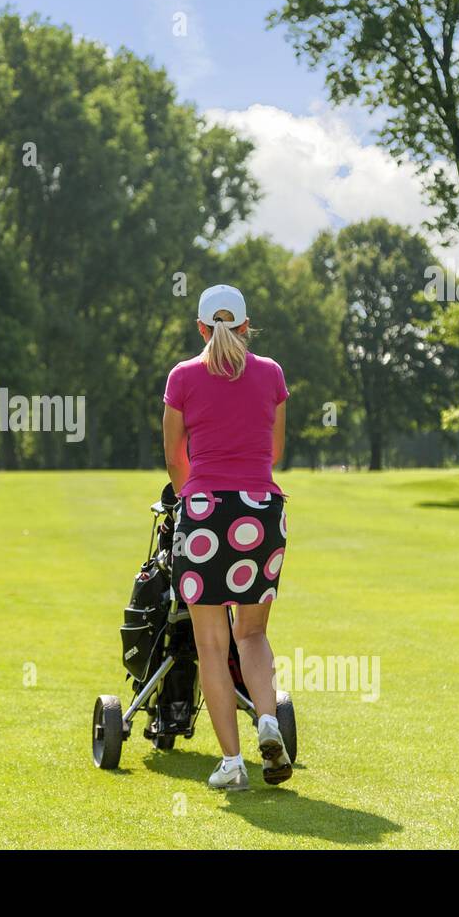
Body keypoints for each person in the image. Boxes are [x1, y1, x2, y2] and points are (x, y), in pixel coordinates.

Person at [162, 283, 291, 791]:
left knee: (211, 647)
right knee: (252, 635)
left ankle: (233, 764)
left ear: (199, 327)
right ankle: (266, 721)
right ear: (245, 325)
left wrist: (191, 500)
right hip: (261, 514)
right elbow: (273, 450)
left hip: (204, 513)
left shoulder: (182, 377)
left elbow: (176, 456)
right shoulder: (272, 374)